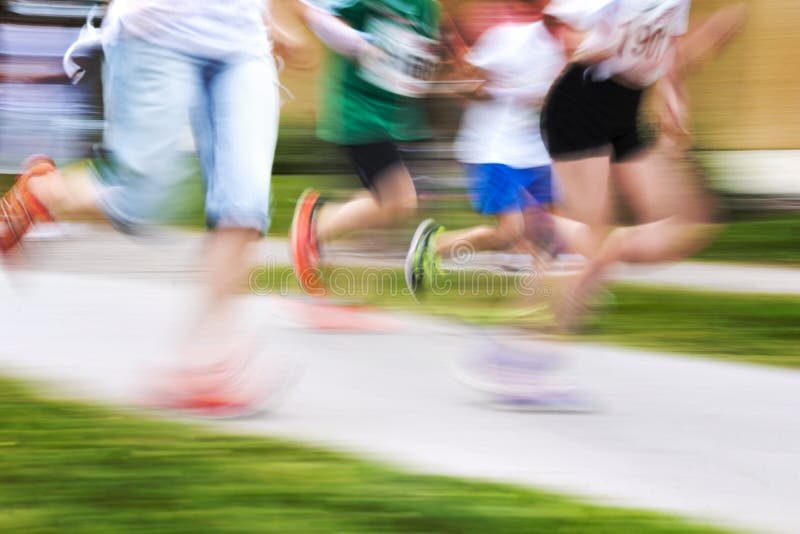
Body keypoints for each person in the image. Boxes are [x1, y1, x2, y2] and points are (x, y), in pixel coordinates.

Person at [0, 0, 305, 415]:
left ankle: (208, 368)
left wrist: (269, 19)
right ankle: (40, 194)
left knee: (245, 203)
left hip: (242, 43)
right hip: (157, 29)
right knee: (138, 201)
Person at [404, 5, 575, 296]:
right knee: (510, 233)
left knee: (550, 231)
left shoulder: (573, 55)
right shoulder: (508, 39)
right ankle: (433, 246)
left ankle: (544, 297)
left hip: (536, 151)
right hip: (496, 148)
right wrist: (500, 90)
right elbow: (465, 82)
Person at [289, 0, 441, 294]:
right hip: (361, 112)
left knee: (395, 203)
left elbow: (420, 57)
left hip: (397, 118)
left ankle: (317, 225)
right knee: (397, 199)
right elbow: (308, 9)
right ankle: (315, 228)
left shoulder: (426, 7)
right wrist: (357, 43)